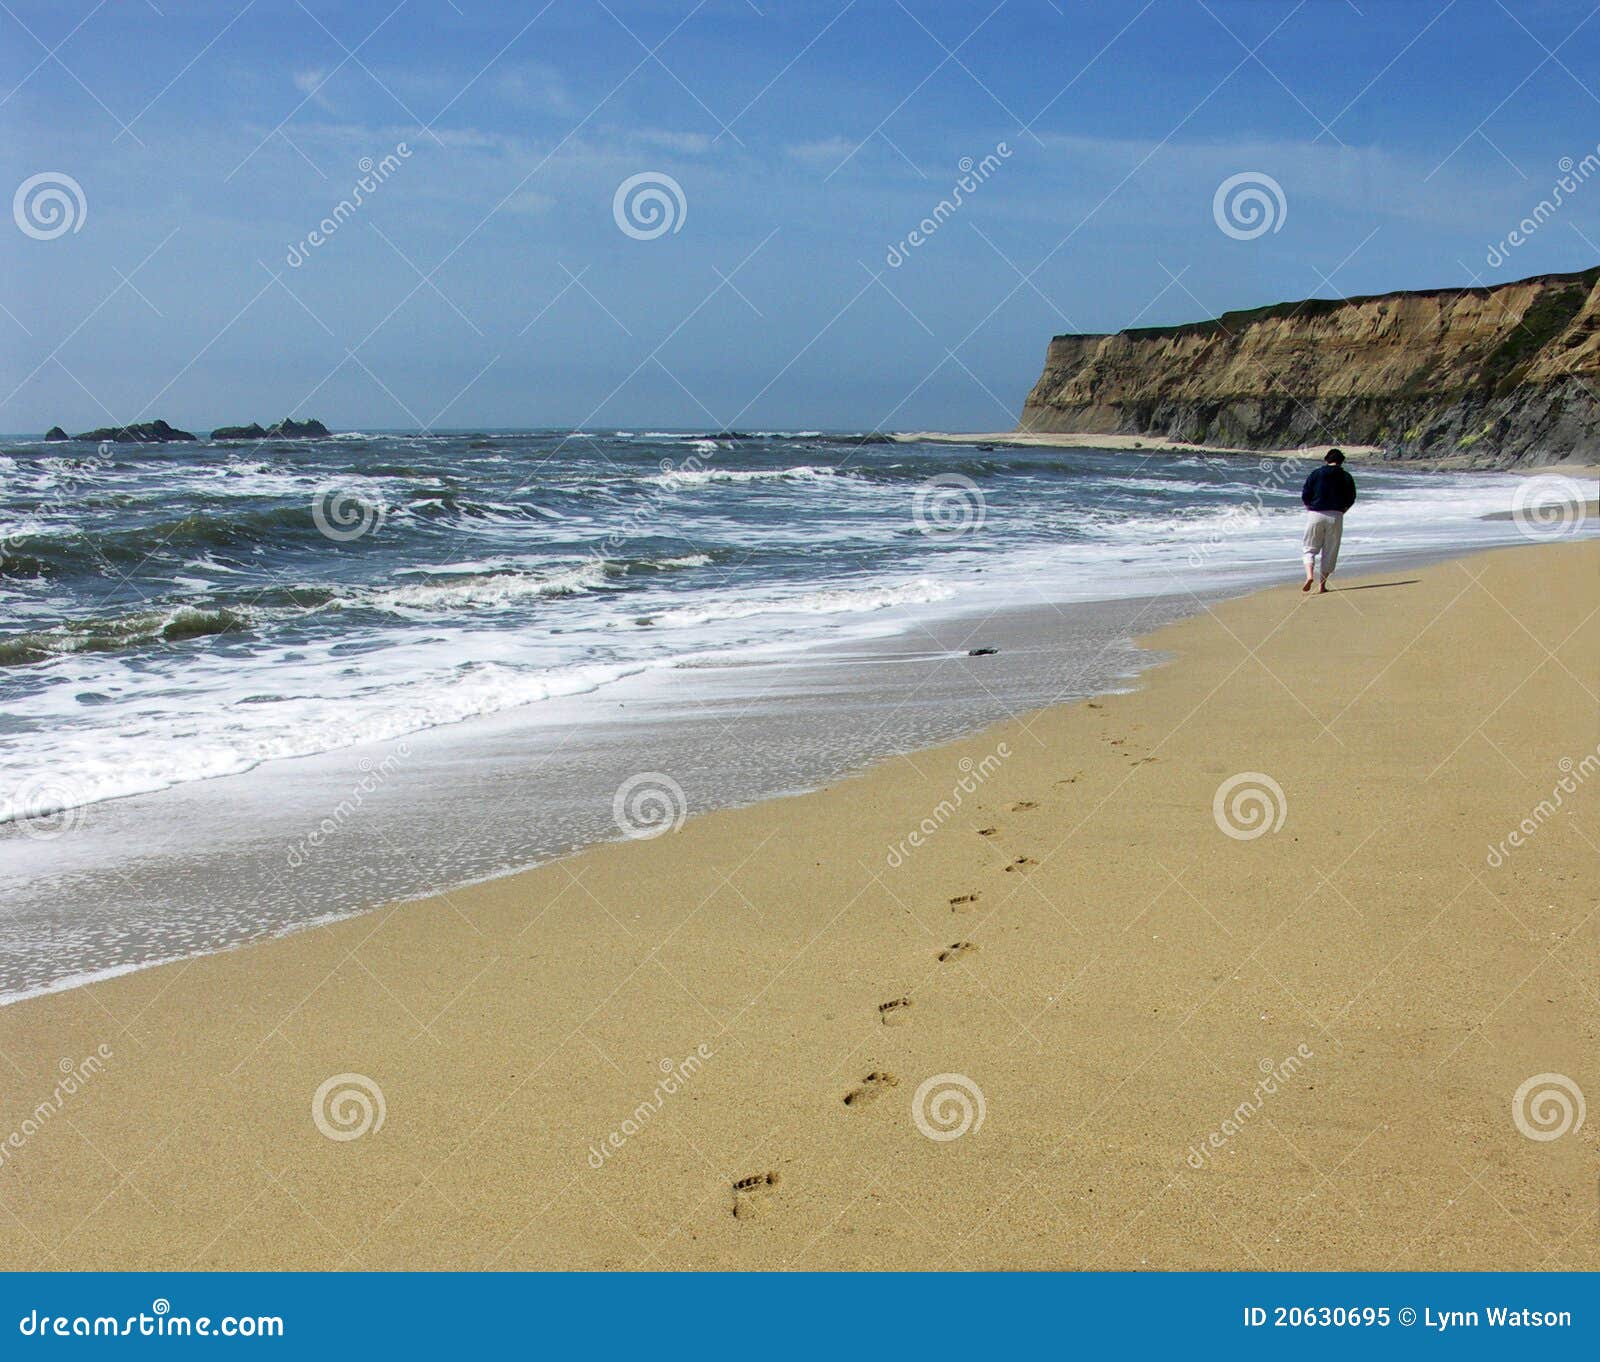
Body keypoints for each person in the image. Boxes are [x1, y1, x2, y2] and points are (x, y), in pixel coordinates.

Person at [1300, 448, 1356, 593]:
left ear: (1326, 460)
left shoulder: (1316, 473)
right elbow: (1351, 497)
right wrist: (1343, 510)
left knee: (1309, 548)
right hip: (1335, 515)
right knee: (1330, 550)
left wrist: (1308, 506)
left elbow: (1306, 493)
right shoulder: (1346, 476)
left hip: (1315, 513)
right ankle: (1322, 586)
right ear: (1341, 462)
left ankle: (1309, 575)